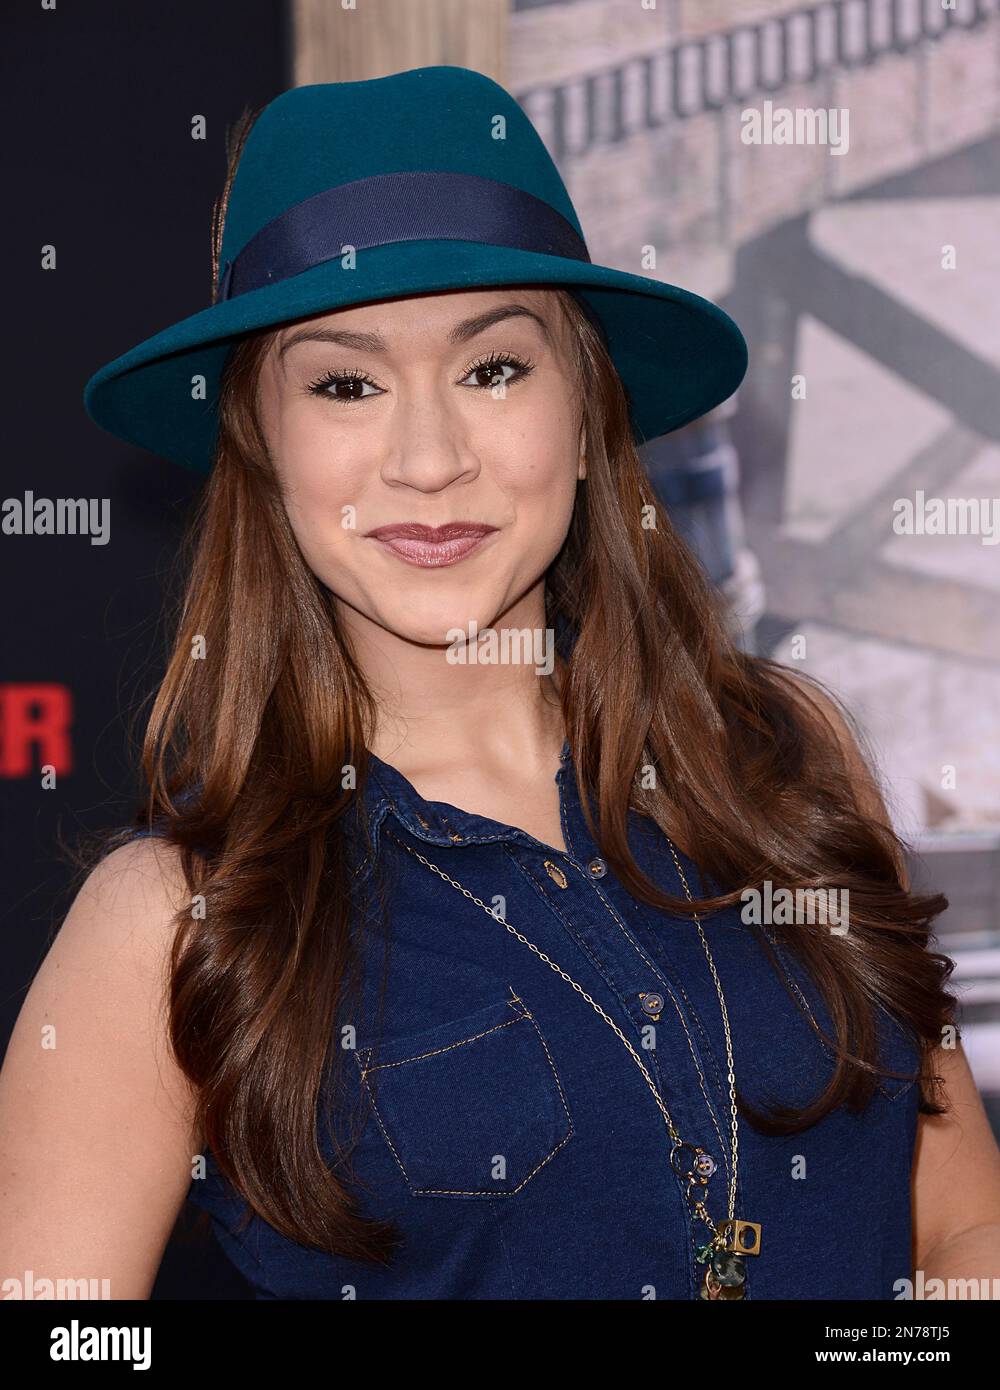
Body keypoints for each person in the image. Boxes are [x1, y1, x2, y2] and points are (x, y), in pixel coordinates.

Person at [3, 67, 1000, 1303]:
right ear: (259, 446)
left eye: (493, 369)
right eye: (345, 383)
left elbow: (961, 1230)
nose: (428, 460)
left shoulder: (782, 761)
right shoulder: (172, 921)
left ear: (585, 411)